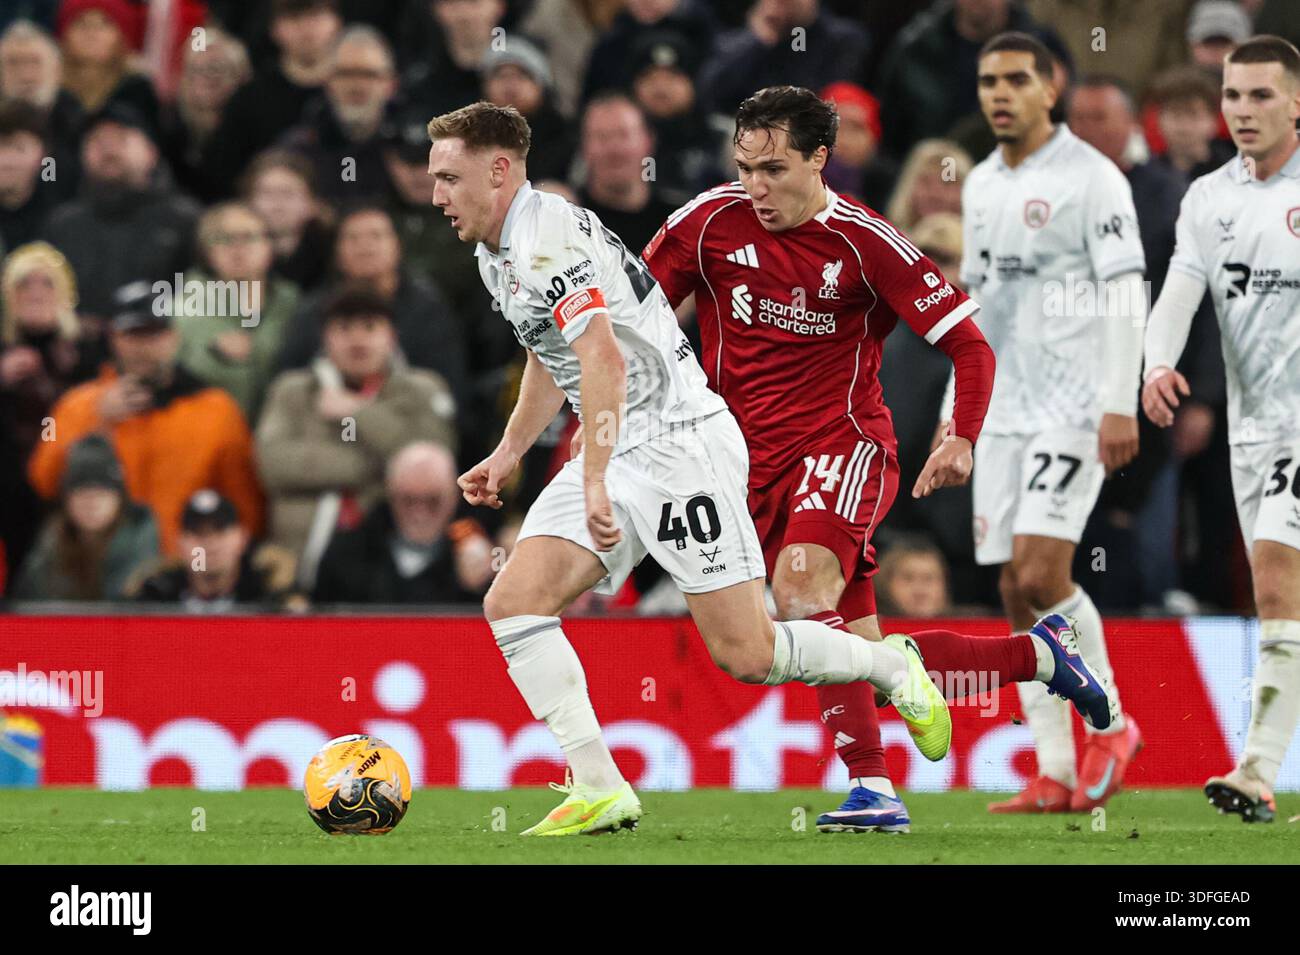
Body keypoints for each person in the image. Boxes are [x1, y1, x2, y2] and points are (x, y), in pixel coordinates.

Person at [429, 100, 959, 836]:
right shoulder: (500, 251)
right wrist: (511, 450)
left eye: (448, 178)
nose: (436, 196)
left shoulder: (546, 235)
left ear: (497, 170)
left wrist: (591, 474)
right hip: (619, 441)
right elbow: (550, 353)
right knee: (514, 601)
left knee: (749, 653)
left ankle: (892, 667)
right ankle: (598, 783)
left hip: (681, 446)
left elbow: (602, 357)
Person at [642, 85, 1112, 833]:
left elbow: (968, 342)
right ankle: (1028, 665)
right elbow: (636, 318)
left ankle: (888, 774)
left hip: (844, 445)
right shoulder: (707, 224)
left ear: (820, 159)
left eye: (774, 168)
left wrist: (961, 434)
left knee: (799, 595)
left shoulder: (869, 243)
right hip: (743, 462)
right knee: (855, 653)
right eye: (745, 166)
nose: (755, 186)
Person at [957, 33, 1146, 813]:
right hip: (1001, 411)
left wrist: (1117, 400)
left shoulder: (1093, 179)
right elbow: (974, 313)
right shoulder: (975, 183)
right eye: (987, 81)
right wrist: (956, 422)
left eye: (1015, 80)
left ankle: (1115, 723)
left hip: (1072, 407)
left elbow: (1125, 290)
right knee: (1011, 587)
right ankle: (1056, 769)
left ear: (1051, 87)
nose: (999, 94)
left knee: (1041, 572)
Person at [1142, 36, 1300, 823]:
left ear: (1296, 102)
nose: (1242, 110)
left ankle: (1257, 768)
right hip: (1254, 429)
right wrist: (1155, 366)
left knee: (1275, 582)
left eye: (1261, 96)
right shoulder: (1208, 197)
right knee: (1285, 594)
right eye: (1233, 95)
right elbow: (1179, 290)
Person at [28, 282, 264, 555]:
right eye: (132, 335)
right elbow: (43, 481)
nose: (143, 347)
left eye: (153, 334)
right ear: (113, 339)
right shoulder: (76, 404)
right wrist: (96, 420)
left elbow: (245, 509)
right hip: (98, 574)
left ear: (174, 337)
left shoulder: (217, 409)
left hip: (180, 576)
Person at [256, 285, 457, 580]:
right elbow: (271, 464)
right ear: (325, 338)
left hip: (393, 574)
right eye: (344, 328)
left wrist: (357, 412)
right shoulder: (292, 390)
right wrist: (383, 468)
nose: (357, 339)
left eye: (370, 326)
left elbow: (436, 460)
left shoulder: (424, 388)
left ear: (392, 336)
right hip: (297, 567)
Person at [41, 101, 199, 319]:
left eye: (121, 139)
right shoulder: (61, 224)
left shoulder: (185, 220)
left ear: (151, 153)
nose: (108, 149)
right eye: (96, 141)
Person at [313, 441, 494, 604]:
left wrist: (480, 587)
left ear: (453, 498)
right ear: (390, 494)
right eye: (408, 500)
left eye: (432, 501)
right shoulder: (348, 553)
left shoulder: (481, 547)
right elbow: (321, 623)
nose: (420, 513)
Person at [173, 201, 300, 422]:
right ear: (207, 251)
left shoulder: (293, 303)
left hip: (285, 432)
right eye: (224, 239)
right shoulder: (187, 307)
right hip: (211, 433)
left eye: (249, 237)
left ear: (269, 245)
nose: (237, 247)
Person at [200, 0, 342, 197]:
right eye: (294, 18)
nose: (306, 28)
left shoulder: (354, 91)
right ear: (274, 29)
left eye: (316, 16)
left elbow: (354, 166)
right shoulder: (249, 99)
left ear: (337, 23)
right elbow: (224, 172)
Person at [12, 432, 159, 601]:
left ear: (120, 500)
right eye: (81, 493)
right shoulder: (49, 545)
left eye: (102, 493)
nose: (91, 503)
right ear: (66, 500)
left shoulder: (143, 548)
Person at [279, 24, 399, 202]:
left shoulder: (408, 147)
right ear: (327, 82)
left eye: (369, 74)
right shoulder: (298, 150)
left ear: (391, 85)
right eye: (345, 74)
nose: (356, 85)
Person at [132, 488, 303, 611]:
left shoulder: (271, 598)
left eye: (220, 532)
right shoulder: (154, 597)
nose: (210, 544)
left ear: (242, 539)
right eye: (199, 534)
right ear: (180, 544)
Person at [576, 93, 676, 253]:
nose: (614, 149)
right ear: (584, 147)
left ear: (648, 141)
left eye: (624, 135)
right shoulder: (566, 225)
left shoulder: (679, 225)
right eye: (602, 137)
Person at [240, 148, 335, 293]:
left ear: (312, 203)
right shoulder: (235, 253)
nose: (277, 204)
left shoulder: (333, 253)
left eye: (288, 193)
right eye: (267, 193)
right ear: (249, 202)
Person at [877, 535, 952, 618]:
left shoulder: (964, 627)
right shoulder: (866, 629)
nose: (920, 591)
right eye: (908, 579)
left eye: (928, 579)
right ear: (885, 582)